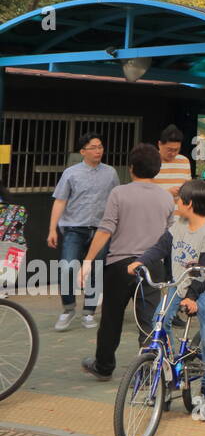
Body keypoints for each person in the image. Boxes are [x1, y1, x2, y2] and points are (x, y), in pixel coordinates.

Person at [128, 178, 205, 422]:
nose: (176, 202)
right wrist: (141, 261)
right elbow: (161, 247)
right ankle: (169, 372)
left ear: (189, 204)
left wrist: (192, 298)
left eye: (179, 199)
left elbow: (204, 272)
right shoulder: (179, 224)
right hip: (179, 284)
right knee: (159, 322)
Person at [78, 144, 174, 381]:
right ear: (158, 168)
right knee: (149, 320)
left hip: (120, 265)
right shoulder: (167, 197)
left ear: (131, 168)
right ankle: (150, 369)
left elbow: (106, 228)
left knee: (111, 318)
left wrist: (88, 260)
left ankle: (104, 366)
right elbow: (171, 236)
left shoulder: (119, 193)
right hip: (152, 266)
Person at [48, 132, 119, 331]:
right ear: (82, 152)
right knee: (67, 267)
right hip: (74, 228)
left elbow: (115, 201)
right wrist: (52, 229)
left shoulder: (111, 173)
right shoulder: (71, 173)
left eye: (100, 146)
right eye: (93, 147)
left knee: (96, 270)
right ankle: (68, 308)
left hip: (101, 230)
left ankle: (88, 311)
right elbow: (60, 201)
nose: (98, 151)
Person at [153, 125, 193, 198]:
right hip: (158, 207)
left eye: (176, 150)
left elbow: (189, 188)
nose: (173, 153)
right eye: (169, 150)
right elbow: (144, 192)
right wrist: (167, 193)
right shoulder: (150, 161)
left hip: (179, 208)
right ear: (159, 144)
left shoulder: (184, 161)